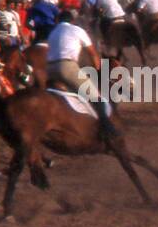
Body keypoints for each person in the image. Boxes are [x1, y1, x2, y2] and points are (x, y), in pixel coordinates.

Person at [45, 10, 117, 140]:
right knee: (96, 96)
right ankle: (107, 126)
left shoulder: (53, 33)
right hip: (66, 67)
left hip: (49, 69)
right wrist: (98, 71)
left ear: (58, 21)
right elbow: (92, 53)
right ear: (72, 20)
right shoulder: (77, 30)